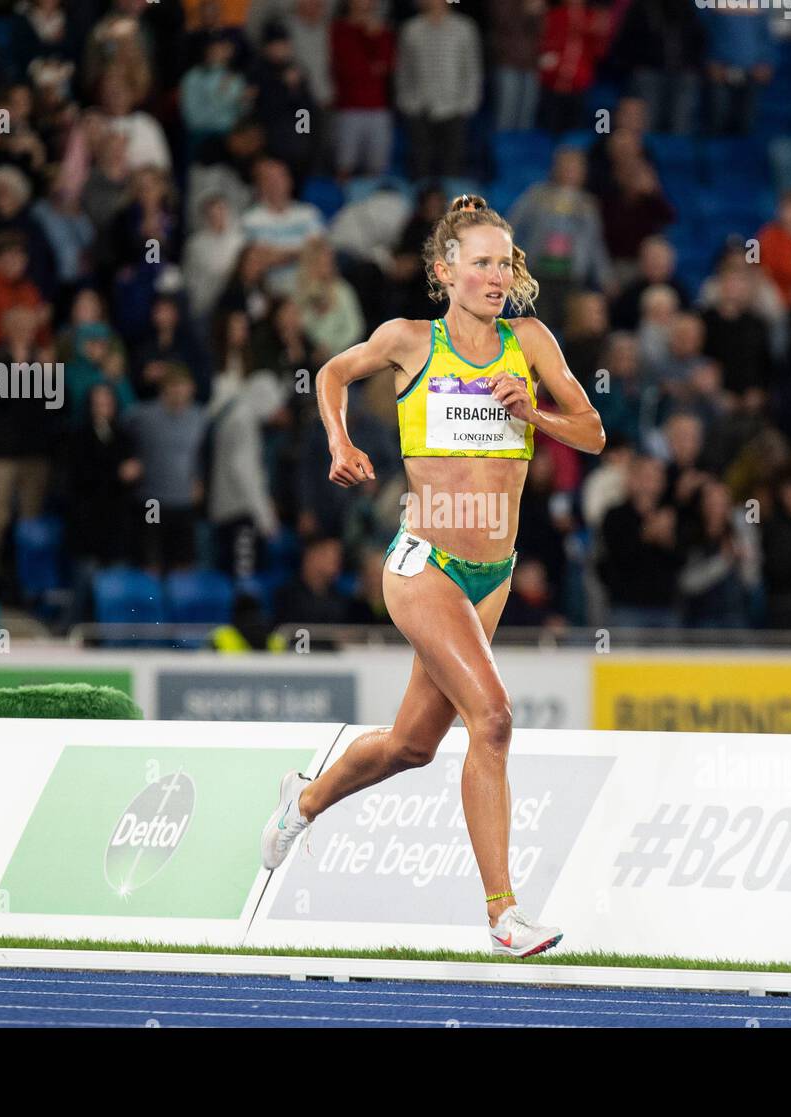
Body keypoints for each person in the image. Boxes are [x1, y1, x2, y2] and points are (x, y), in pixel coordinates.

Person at [261, 194, 605, 957]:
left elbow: (593, 430)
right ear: (445, 270)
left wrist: (534, 413)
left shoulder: (532, 341)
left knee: (413, 745)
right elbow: (331, 372)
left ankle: (304, 800)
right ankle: (504, 915)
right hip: (423, 565)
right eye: (479, 262)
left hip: (494, 574)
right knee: (494, 718)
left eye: (503, 262)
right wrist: (338, 441)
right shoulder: (410, 339)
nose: (493, 275)